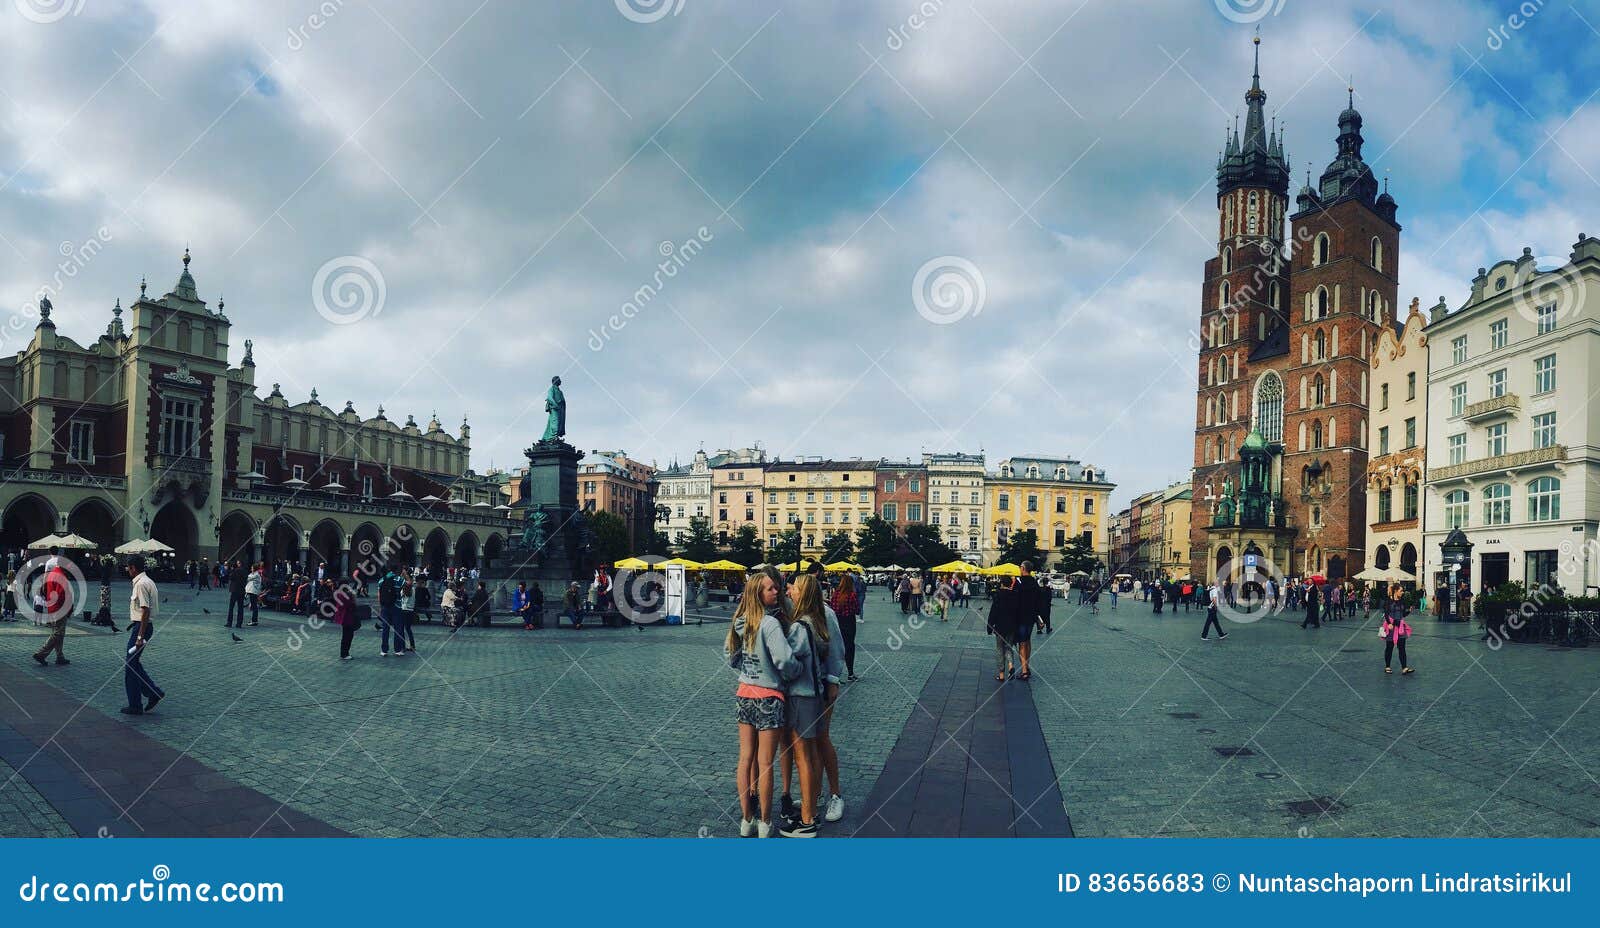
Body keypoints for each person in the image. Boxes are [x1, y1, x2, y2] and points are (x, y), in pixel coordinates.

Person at [726, 571, 798, 838]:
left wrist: (748, 670)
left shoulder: (740, 621)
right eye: (770, 589)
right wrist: (797, 668)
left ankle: (746, 820)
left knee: (745, 759)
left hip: (744, 693)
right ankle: (765, 822)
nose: (776, 591)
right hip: (769, 696)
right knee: (765, 762)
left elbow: (730, 656)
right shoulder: (769, 624)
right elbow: (784, 661)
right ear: (758, 594)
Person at [777, 574, 827, 838]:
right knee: (809, 756)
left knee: (802, 758)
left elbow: (790, 665)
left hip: (800, 695)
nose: (789, 591)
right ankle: (812, 812)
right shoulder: (816, 621)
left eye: (793, 588)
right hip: (814, 694)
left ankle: (806, 820)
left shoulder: (799, 627)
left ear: (802, 594)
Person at [122, 556, 165, 715]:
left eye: (128, 568)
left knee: (130, 665)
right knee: (133, 664)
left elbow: (145, 610)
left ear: (133, 567)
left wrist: (140, 637)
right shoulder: (148, 581)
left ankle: (137, 703)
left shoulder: (140, 584)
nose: (127, 571)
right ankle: (152, 694)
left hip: (142, 627)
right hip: (143, 626)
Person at [31, 550, 72, 667]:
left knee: (59, 632)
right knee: (58, 633)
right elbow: (61, 595)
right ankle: (41, 653)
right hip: (59, 608)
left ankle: (60, 656)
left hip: (53, 607)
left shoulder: (53, 573)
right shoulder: (60, 576)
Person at [987, 575, 1020, 680]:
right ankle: (1011, 666)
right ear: (1011, 584)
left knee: (1000, 649)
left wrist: (990, 625)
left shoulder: (998, 595)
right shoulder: (1015, 595)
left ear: (1001, 583)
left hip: (1000, 626)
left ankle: (1001, 674)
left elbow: (993, 612)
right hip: (1011, 626)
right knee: (1009, 647)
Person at [1014, 561, 1044, 680]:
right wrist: (1039, 617)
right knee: (1027, 641)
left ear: (1023, 568)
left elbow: (1015, 600)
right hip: (1031, 617)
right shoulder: (1034, 583)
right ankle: (1027, 666)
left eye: (1020, 567)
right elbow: (1039, 601)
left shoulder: (1019, 582)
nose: (1019, 568)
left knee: (1021, 643)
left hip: (1021, 616)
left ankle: (1024, 670)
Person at [829, 574, 860, 682]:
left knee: (838, 647)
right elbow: (857, 610)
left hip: (837, 621)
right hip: (849, 622)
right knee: (849, 646)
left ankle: (835, 675)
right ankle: (850, 673)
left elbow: (832, 608)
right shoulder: (852, 594)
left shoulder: (835, 594)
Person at [377, 567, 406, 656]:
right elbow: (408, 584)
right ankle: (397, 650)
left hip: (385, 607)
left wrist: (381, 607)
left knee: (385, 628)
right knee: (398, 628)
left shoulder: (381, 580)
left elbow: (379, 595)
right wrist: (405, 574)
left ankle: (384, 650)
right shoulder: (399, 579)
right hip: (396, 606)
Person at [333, 581, 360, 661]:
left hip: (343, 617)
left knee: (346, 635)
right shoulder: (345, 595)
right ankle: (345, 653)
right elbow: (352, 605)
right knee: (348, 636)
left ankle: (344, 653)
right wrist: (353, 596)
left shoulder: (339, 593)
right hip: (347, 617)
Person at [1381, 610, 1413, 674]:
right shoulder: (1388, 601)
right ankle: (1387, 667)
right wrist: (1390, 623)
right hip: (1391, 627)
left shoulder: (1402, 602)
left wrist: (1408, 611)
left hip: (1400, 626)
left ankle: (1404, 668)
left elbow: (1402, 614)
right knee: (1389, 647)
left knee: (1402, 648)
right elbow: (1386, 614)